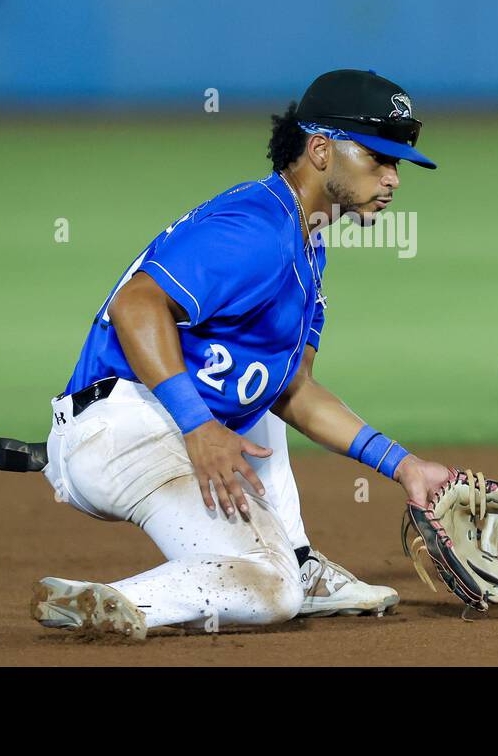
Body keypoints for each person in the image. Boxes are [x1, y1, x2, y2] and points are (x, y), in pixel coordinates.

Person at [32, 69, 454, 638]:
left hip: (149, 425)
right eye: (379, 158)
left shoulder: (305, 242)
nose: (393, 177)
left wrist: (404, 466)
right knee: (271, 589)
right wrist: (198, 424)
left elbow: (294, 393)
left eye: (396, 163)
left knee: (259, 397)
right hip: (122, 432)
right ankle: (117, 601)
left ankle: (302, 563)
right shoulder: (257, 230)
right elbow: (136, 306)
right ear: (322, 149)